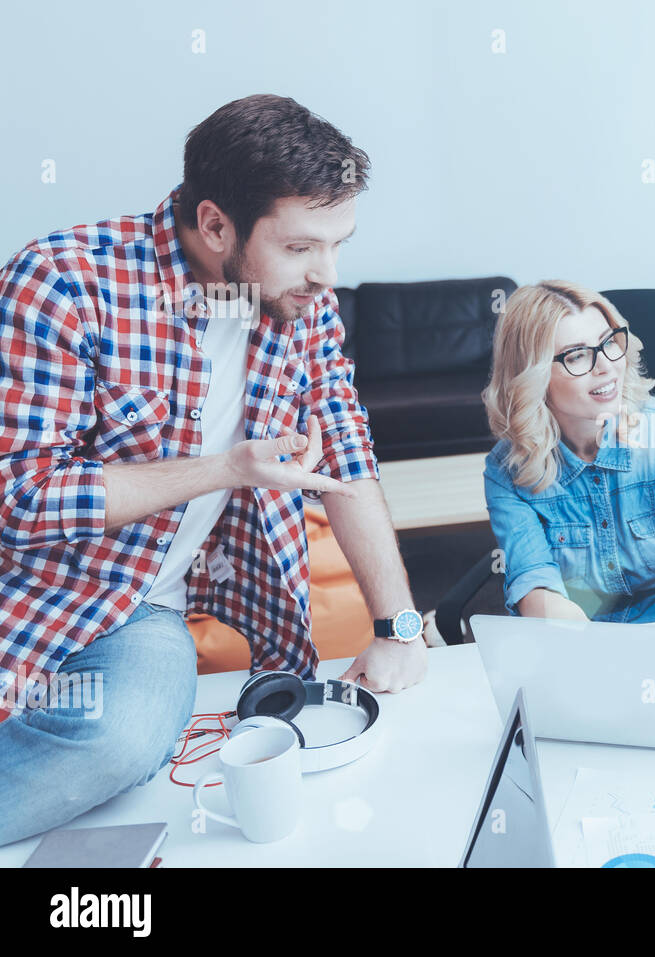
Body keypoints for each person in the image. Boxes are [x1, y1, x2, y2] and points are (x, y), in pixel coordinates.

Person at [0, 94, 427, 847]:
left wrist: (396, 626)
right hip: (33, 588)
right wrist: (224, 468)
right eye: (301, 247)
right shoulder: (63, 282)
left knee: (124, 738)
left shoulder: (299, 302)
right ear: (214, 223)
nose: (327, 275)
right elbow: (24, 500)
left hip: (143, 612)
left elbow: (348, 447)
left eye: (338, 243)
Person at [481, 280, 655, 627]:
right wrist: (601, 662)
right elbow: (535, 586)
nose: (606, 365)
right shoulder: (507, 471)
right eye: (577, 355)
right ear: (533, 375)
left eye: (609, 343)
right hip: (585, 638)